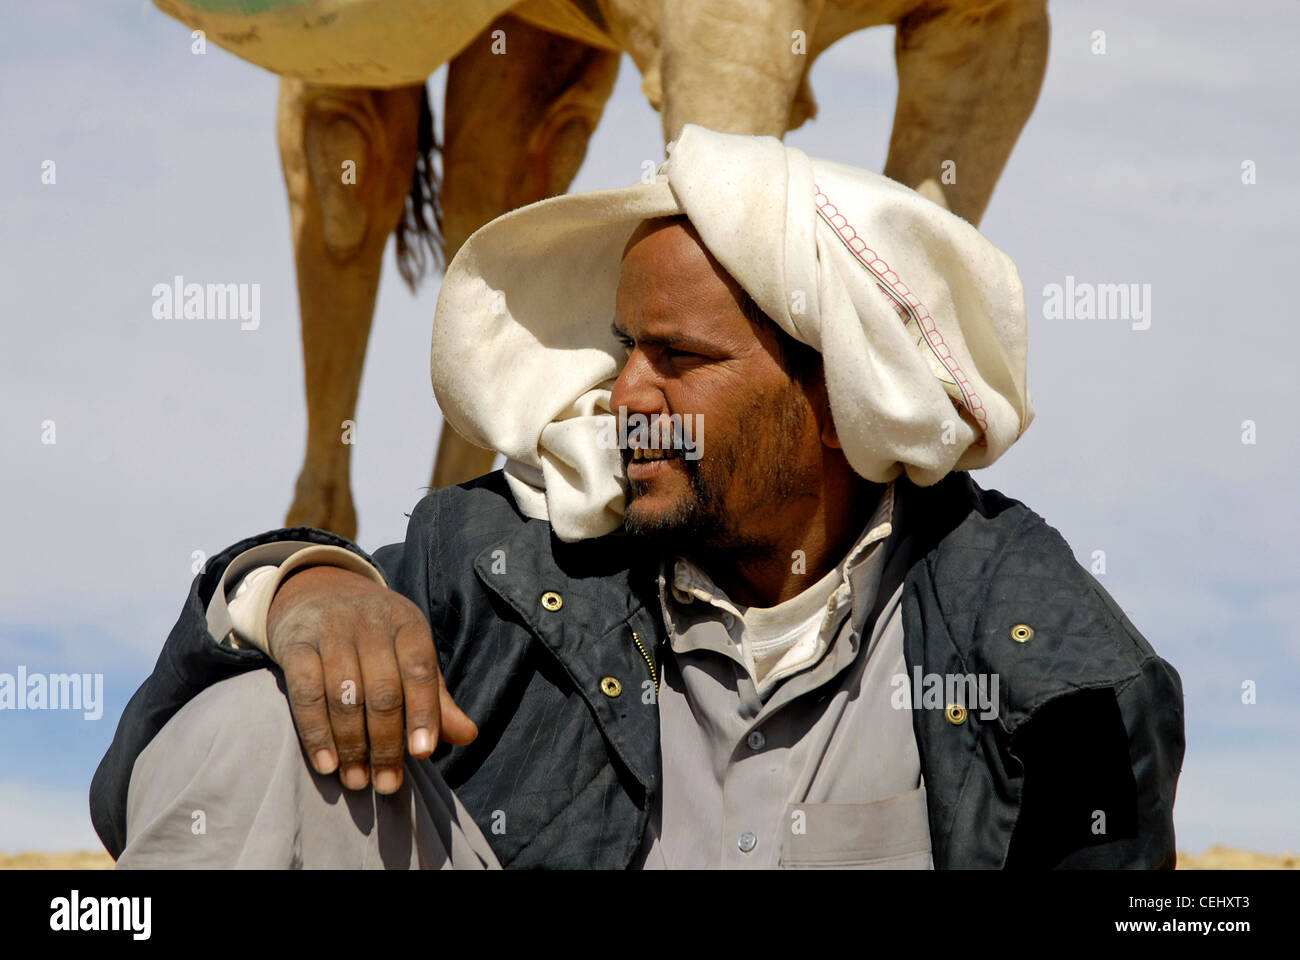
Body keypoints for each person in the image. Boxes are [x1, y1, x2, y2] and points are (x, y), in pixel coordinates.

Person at [90, 125, 1185, 869]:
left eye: (676, 357)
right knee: (253, 719)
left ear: (830, 390)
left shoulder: (1029, 646)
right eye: (625, 349)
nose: (622, 395)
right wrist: (303, 586)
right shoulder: (515, 561)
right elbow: (132, 778)